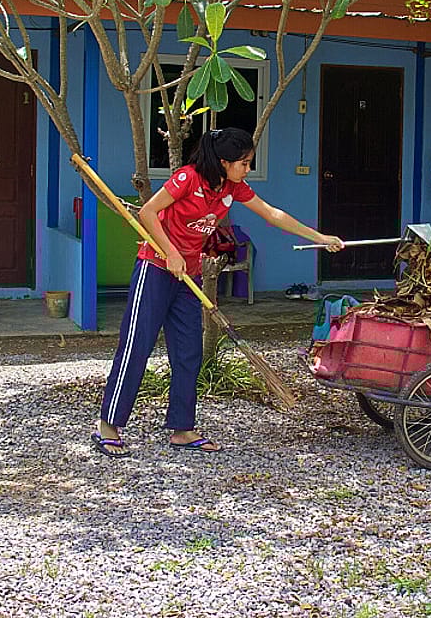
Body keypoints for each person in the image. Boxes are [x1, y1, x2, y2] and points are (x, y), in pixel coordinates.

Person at [92, 127, 345, 458]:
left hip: (188, 277)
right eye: (244, 163)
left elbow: (272, 215)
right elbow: (148, 212)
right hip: (155, 270)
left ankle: (181, 428)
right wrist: (170, 252)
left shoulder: (232, 187)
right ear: (224, 161)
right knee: (136, 347)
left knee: (188, 352)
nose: (248, 169)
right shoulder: (187, 178)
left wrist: (320, 237)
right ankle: (108, 425)